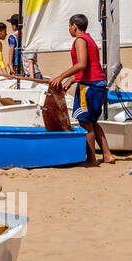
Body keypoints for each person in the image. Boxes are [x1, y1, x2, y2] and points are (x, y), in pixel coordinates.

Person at [48, 13, 114, 165]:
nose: (69, 29)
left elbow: (82, 64)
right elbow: (89, 67)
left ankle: (91, 159)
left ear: (74, 26)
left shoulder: (80, 40)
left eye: (69, 26)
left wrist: (61, 76)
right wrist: (71, 80)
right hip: (96, 84)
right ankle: (107, 154)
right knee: (92, 121)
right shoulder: (89, 39)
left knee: (84, 122)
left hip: (90, 87)